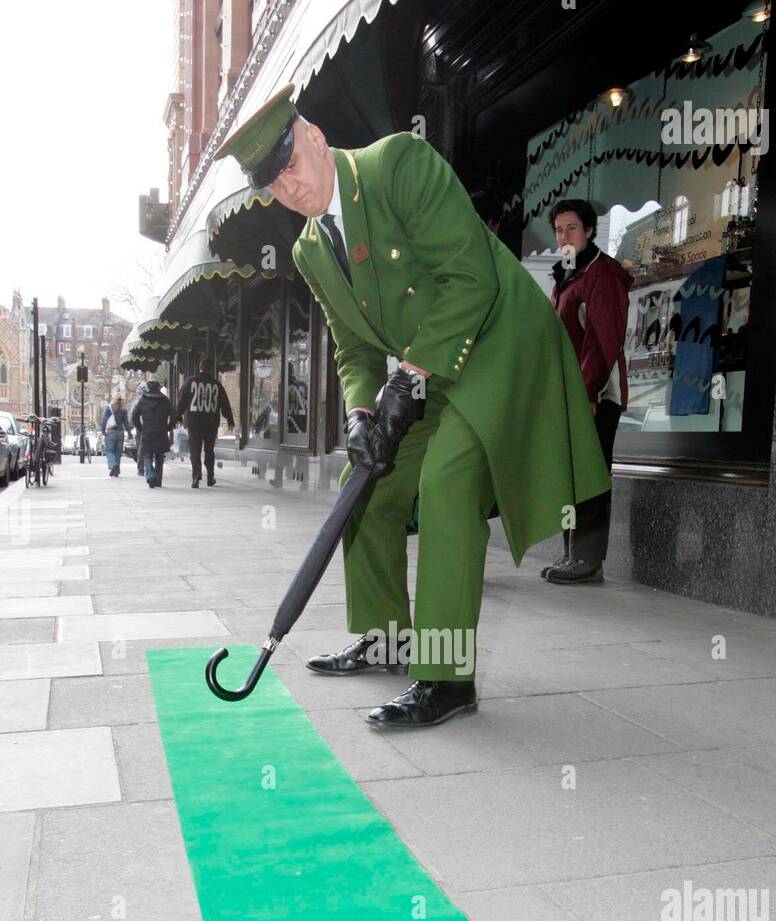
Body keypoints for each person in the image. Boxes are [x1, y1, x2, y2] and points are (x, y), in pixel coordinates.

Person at [214, 86, 608, 729]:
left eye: (291, 164)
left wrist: (409, 380)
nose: (291, 187)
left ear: (313, 136)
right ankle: (388, 637)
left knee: (448, 481)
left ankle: (446, 678)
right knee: (364, 480)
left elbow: (471, 276)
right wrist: (362, 413)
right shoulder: (311, 249)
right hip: (428, 376)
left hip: (498, 347)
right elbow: (353, 347)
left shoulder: (396, 164)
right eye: (274, 184)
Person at [541, 199, 632, 585]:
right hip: (571, 393)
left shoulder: (602, 275)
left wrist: (586, 393)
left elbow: (603, 341)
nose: (564, 236)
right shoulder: (568, 275)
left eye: (572, 228)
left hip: (595, 396)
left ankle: (588, 560)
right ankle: (571, 554)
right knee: (570, 477)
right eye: (559, 229)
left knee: (591, 477)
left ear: (591, 231)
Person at [174, 354, 235, 488]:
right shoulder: (217, 385)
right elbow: (225, 404)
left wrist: (178, 417)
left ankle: (196, 476)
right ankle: (210, 477)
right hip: (211, 423)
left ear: (200, 368)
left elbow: (182, 402)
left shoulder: (189, 382)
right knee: (209, 450)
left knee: (195, 449)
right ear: (211, 370)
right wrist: (230, 420)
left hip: (194, 422)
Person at [130, 379, 174, 489]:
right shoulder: (165, 400)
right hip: (161, 432)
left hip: (147, 432)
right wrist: (168, 427)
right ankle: (158, 480)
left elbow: (134, 416)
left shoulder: (142, 400)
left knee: (147, 455)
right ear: (159, 388)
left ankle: (150, 475)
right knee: (159, 456)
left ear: (148, 388)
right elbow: (174, 415)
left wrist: (140, 428)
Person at [100, 396, 131, 477]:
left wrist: (103, 431)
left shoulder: (108, 409)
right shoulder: (123, 410)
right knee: (118, 452)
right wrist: (129, 433)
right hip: (121, 433)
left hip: (111, 432)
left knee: (109, 450)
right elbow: (126, 423)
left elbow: (104, 421)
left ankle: (113, 464)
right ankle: (116, 472)